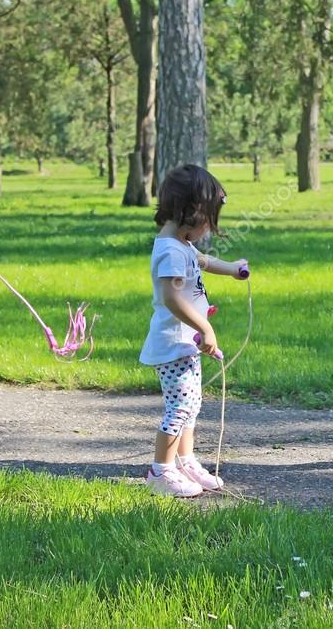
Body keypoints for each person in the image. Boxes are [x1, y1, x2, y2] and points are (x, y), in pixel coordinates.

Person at [139, 164, 249, 497]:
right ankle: (161, 471)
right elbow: (172, 298)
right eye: (208, 220)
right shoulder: (171, 251)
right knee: (179, 408)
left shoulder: (181, 245)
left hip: (186, 343)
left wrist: (231, 270)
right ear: (192, 212)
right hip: (174, 343)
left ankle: (184, 460)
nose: (209, 228)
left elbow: (202, 261)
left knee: (191, 404)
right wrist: (204, 326)